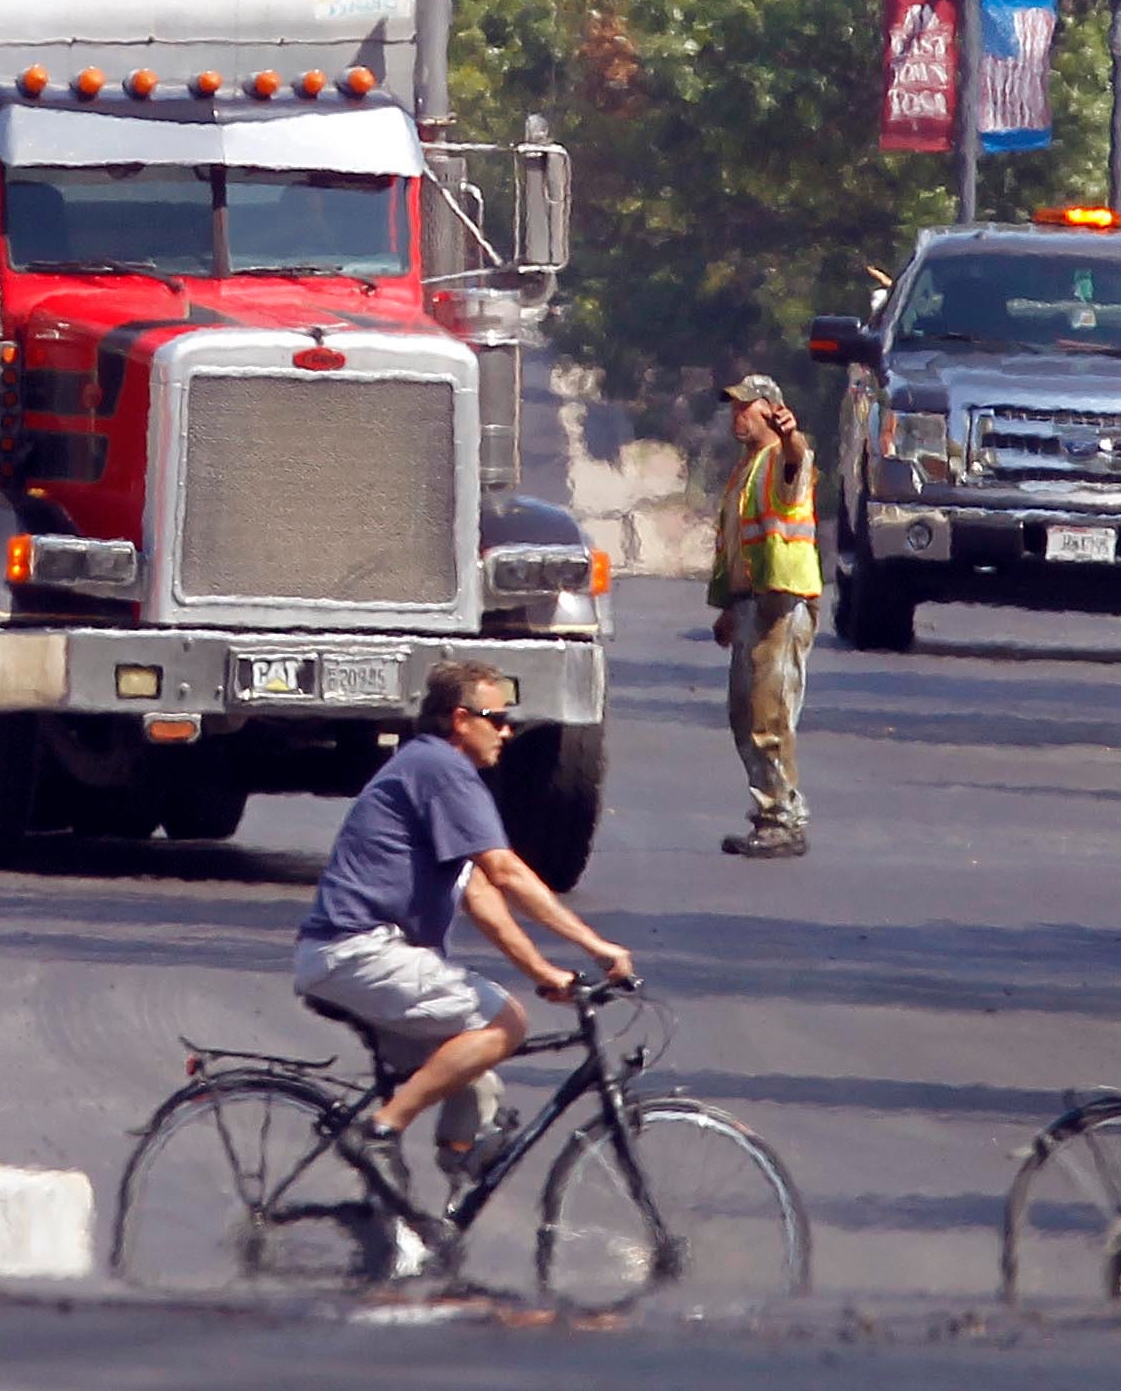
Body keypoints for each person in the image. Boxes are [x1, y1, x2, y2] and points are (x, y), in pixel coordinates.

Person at [295, 659, 634, 1205]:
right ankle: (378, 1133)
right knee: (504, 1021)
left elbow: (482, 897)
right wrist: (594, 945)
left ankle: (437, 1220)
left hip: (357, 957)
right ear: (460, 719)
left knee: (474, 1072)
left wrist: (543, 971)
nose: (507, 732)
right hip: (358, 951)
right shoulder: (441, 769)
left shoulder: (431, 770)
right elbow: (505, 870)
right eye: (497, 718)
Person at [707, 372, 820, 859]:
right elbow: (735, 544)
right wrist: (730, 607)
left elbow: (800, 463)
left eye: (745, 407)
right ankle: (768, 812)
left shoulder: (780, 459)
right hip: (753, 602)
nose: (737, 416)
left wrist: (792, 435)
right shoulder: (745, 470)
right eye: (733, 408)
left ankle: (783, 819)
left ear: (771, 411)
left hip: (782, 601)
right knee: (743, 710)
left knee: (769, 712)